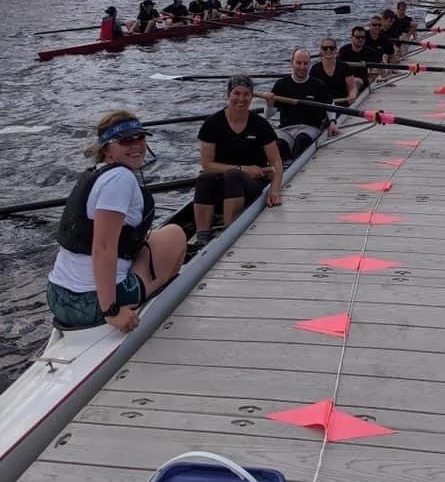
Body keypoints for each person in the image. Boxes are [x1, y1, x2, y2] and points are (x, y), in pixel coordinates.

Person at [46, 111, 186, 333]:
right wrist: (110, 310)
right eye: (126, 141)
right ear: (107, 149)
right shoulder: (121, 179)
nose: (137, 145)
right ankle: (146, 297)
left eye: (140, 137)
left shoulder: (96, 173)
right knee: (175, 235)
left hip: (57, 297)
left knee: (151, 239)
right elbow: (103, 247)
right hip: (93, 304)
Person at [193, 75, 283, 244]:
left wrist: (275, 191)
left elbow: (276, 163)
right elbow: (207, 165)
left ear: (251, 97)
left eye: (246, 94)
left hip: (253, 184)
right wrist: (242, 168)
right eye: (236, 93)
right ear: (229, 95)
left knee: (233, 176)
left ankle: (228, 233)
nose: (241, 99)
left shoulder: (260, 125)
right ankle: (202, 236)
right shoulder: (212, 124)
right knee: (205, 178)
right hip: (225, 183)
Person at [266, 48, 339, 160]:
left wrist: (332, 122)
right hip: (286, 130)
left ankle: (295, 164)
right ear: (291, 63)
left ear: (310, 64)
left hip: (309, 128)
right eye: (298, 63)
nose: (302, 67)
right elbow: (268, 115)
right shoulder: (281, 84)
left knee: (301, 141)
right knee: (279, 147)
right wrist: (269, 105)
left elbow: (330, 105)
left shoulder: (318, 85)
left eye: (305, 63)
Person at [310, 36, 358, 103]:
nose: (328, 50)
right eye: (325, 48)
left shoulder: (344, 67)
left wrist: (352, 95)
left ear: (336, 50)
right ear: (321, 50)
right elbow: (311, 90)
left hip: (341, 104)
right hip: (322, 104)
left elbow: (352, 87)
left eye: (331, 48)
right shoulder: (314, 69)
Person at [338, 26, 381, 92]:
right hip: (346, 79)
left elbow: (375, 71)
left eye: (363, 37)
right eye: (357, 37)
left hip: (362, 80)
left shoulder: (371, 52)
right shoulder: (343, 50)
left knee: (356, 81)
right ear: (352, 37)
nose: (361, 39)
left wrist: (373, 75)